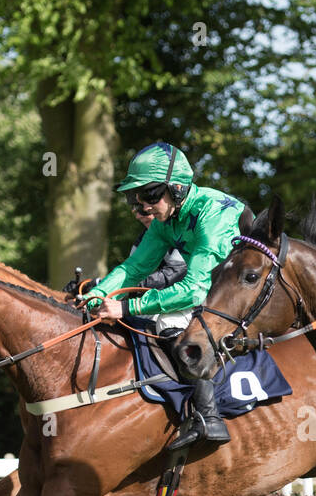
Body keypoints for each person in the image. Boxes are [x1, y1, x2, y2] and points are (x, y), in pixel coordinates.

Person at [84, 142, 247, 449]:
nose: (142, 206)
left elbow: (196, 290)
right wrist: (98, 291)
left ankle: (208, 418)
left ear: (177, 188)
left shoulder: (209, 215)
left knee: (169, 319)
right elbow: (134, 267)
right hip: (220, 287)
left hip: (242, 292)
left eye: (148, 195)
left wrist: (125, 306)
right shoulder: (167, 219)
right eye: (134, 197)